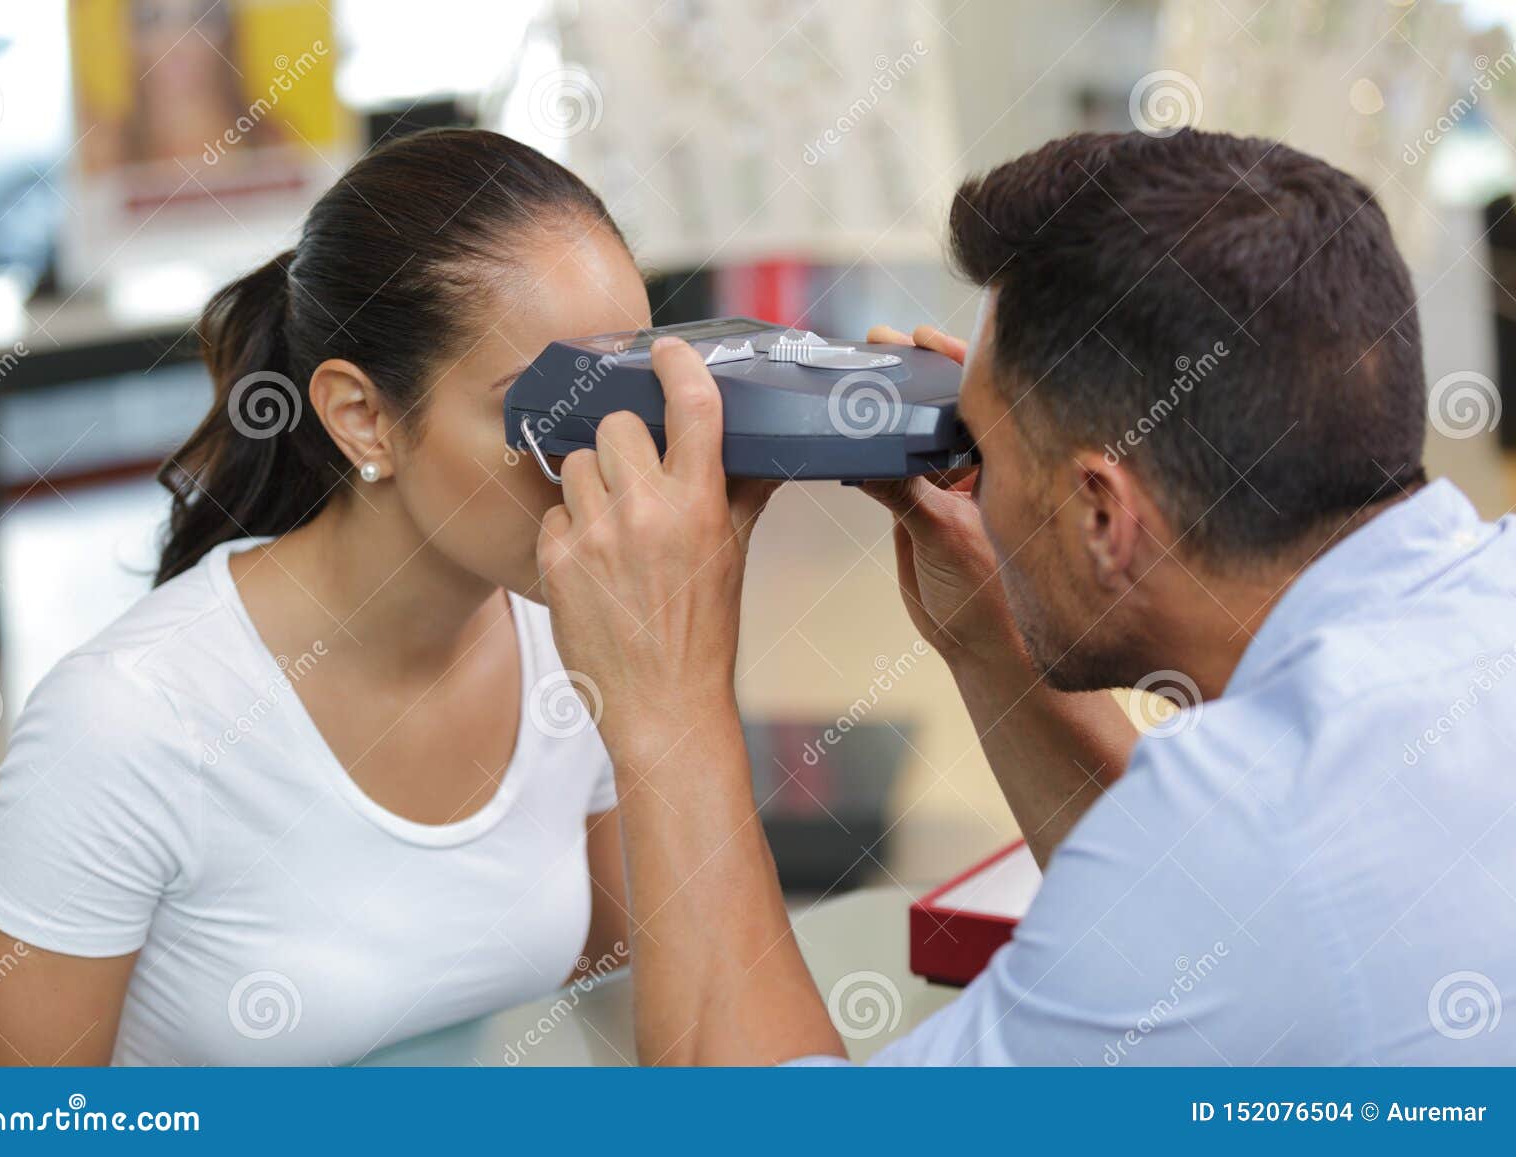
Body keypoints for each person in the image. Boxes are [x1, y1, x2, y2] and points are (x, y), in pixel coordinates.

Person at [537, 129, 1516, 1065]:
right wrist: (993, 639)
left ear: (1101, 513)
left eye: (986, 454)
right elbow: (1193, 929)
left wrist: (668, 698)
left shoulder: (1246, 832)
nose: (972, 487)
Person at [0, 129, 646, 1065]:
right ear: (362, 415)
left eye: (629, 399)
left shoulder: (580, 647)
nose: (607, 460)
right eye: (546, 415)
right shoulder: (128, 720)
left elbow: (613, 1022)